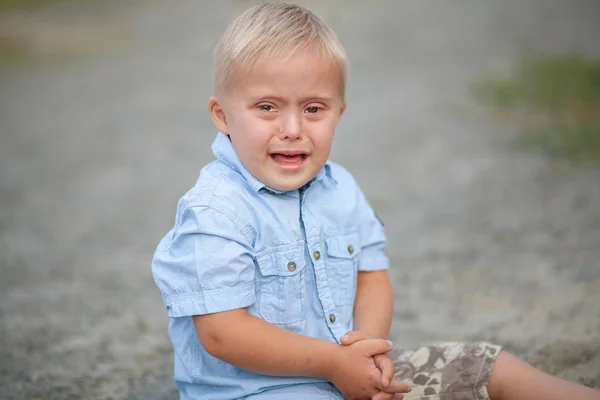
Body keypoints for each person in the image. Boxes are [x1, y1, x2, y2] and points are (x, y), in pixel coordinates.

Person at [151, 3, 600, 399]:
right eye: (267, 107)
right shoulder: (215, 210)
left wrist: (365, 350)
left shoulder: (340, 189)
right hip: (261, 391)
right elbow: (223, 333)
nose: (292, 128)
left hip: (349, 375)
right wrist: (332, 363)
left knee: (487, 367)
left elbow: (371, 278)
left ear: (339, 112)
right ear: (222, 115)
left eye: (313, 108)